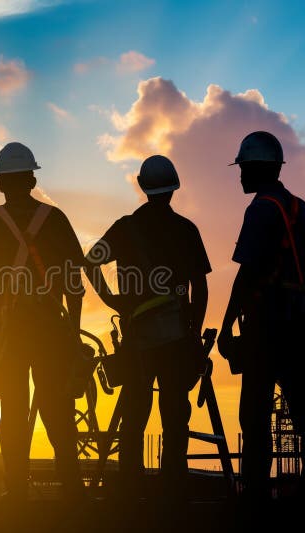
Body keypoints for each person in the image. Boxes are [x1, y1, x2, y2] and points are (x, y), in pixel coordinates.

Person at [85, 155, 211, 506]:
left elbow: (90, 260)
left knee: (134, 414)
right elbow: (200, 289)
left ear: (142, 186)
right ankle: (173, 488)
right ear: (174, 188)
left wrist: (113, 301)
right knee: (174, 415)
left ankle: (129, 490)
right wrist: (194, 333)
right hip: (176, 338)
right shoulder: (186, 229)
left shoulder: (126, 228)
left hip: (137, 339)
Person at [0, 142, 85, 501]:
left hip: (9, 333)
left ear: (1, 183)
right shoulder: (56, 220)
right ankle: (73, 490)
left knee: (14, 413)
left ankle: (16, 490)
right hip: (51, 331)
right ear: (32, 179)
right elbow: (75, 284)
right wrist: (74, 335)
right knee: (58, 411)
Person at [218, 131, 305, 505]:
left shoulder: (261, 208)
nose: (240, 176)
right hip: (298, 325)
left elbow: (246, 273)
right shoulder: (303, 208)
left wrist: (227, 322)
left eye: (243, 168)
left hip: (266, 326)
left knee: (255, 410)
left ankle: (256, 490)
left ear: (257, 167)